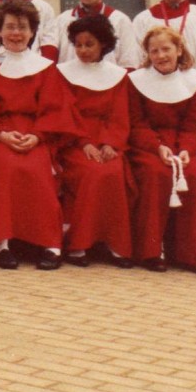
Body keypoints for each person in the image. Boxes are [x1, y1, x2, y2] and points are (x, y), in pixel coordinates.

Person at [0, 0, 76, 270]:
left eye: (22, 27)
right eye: (9, 27)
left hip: (36, 134)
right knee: (6, 165)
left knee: (37, 168)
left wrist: (37, 136)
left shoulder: (44, 67)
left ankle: (48, 243)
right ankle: (2, 242)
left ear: (32, 31)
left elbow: (54, 109)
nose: (15, 33)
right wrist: (1, 134)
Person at [127, 26, 196, 273]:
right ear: (148, 55)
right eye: (154, 51)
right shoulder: (136, 81)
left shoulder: (194, 81)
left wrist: (186, 149)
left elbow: (194, 124)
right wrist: (157, 146)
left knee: (192, 174)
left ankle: (189, 253)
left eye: (166, 49)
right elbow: (137, 123)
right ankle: (151, 251)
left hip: (183, 145)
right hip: (148, 146)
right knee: (157, 174)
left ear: (179, 49)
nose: (161, 56)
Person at [55, 15, 134, 268]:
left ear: (103, 44)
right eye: (78, 45)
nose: (82, 50)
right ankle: (80, 244)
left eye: (89, 44)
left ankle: (114, 243)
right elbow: (65, 113)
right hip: (75, 140)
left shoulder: (118, 76)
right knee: (91, 172)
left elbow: (119, 115)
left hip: (108, 141)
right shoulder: (64, 73)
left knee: (112, 171)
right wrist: (84, 143)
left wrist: (111, 143)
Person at [55, 0, 141, 67]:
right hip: (69, 82)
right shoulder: (62, 20)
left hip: (109, 82)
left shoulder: (120, 20)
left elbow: (129, 62)